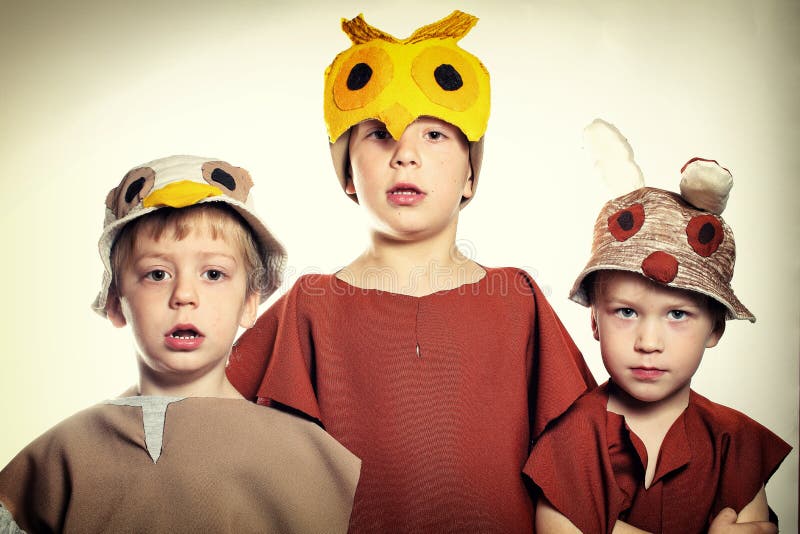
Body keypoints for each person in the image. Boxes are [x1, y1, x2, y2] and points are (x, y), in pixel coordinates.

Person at [226, 11, 595, 533]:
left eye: (436, 135)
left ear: (471, 174)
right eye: (378, 134)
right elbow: (203, 416)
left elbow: (584, 460)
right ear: (348, 175)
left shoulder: (519, 300)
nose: (406, 155)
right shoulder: (310, 305)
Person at [0, 155, 360, 533]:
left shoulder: (305, 457)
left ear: (250, 302)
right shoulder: (64, 457)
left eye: (213, 274)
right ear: (115, 302)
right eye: (157, 274)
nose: (184, 294)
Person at [527, 156, 791, 533]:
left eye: (678, 315)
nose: (649, 343)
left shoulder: (736, 443)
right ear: (594, 321)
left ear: (715, 329)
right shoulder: (570, 438)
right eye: (626, 312)